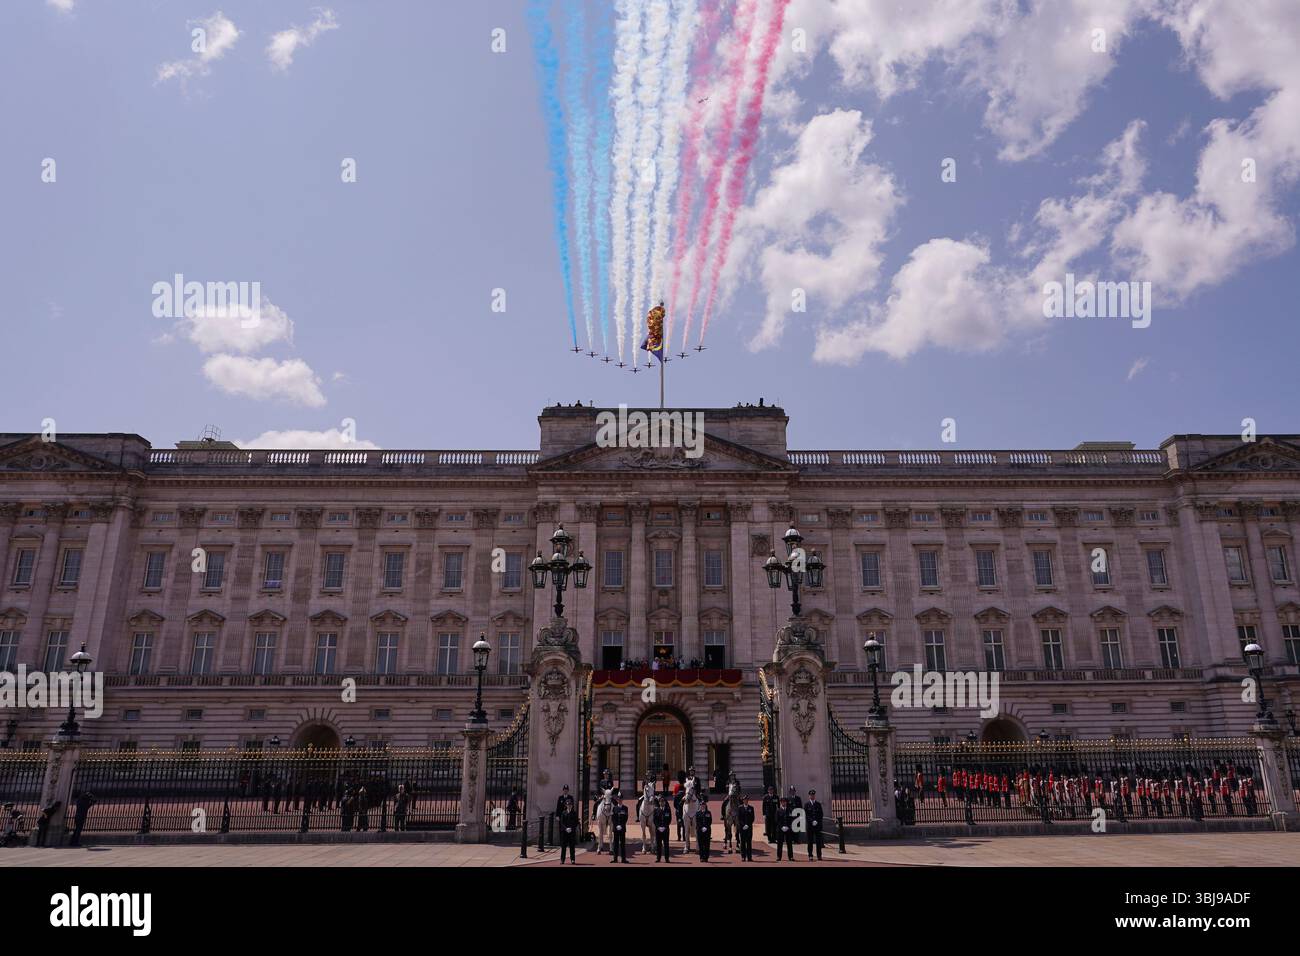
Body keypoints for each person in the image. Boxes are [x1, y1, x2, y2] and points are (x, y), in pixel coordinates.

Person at [803, 789, 824, 860]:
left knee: (818, 841)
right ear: (809, 796)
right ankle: (810, 855)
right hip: (810, 826)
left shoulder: (818, 804)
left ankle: (819, 855)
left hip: (817, 826)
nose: (812, 796)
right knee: (810, 841)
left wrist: (817, 821)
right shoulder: (806, 805)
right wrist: (812, 821)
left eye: (813, 795)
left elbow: (821, 814)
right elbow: (806, 815)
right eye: (811, 795)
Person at [610, 790, 630, 863]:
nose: (620, 800)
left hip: (622, 828)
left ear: (622, 800)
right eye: (618, 799)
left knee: (622, 844)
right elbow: (613, 818)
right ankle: (615, 858)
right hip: (616, 828)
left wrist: (621, 825)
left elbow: (625, 818)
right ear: (617, 800)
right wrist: (616, 825)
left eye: (621, 799)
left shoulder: (625, 808)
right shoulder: (614, 808)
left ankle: (623, 859)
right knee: (615, 844)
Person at [652, 796, 672, 862]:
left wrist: (664, 827)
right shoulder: (656, 810)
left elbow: (669, 819)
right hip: (658, 830)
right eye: (660, 802)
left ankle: (667, 858)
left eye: (663, 802)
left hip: (666, 830)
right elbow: (654, 820)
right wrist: (658, 827)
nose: (662, 803)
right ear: (659, 802)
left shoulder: (668, 810)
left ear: (665, 802)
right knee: (658, 845)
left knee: (666, 844)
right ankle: (658, 858)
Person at [559, 796, 579, 863]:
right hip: (565, 832)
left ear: (572, 805)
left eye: (570, 805)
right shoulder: (563, 813)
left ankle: (572, 859)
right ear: (566, 805)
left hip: (572, 832)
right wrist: (566, 829)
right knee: (563, 847)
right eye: (568, 805)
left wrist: (571, 828)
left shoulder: (574, 813)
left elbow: (576, 822)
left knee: (572, 846)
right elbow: (561, 822)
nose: (569, 806)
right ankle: (562, 859)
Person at [736, 794, 755, 861]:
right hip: (742, 828)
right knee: (743, 843)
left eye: (747, 800)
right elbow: (739, 818)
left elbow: (752, 818)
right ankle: (743, 856)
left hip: (749, 828)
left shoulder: (751, 808)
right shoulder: (740, 808)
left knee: (749, 843)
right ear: (743, 801)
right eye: (744, 800)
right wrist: (743, 825)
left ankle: (749, 857)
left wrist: (748, 825)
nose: (746, 801)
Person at [695, 796, 713, 862]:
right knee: (701, 844)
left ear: (705, 805)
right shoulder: (697, 813)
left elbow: (710, 821)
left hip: (707, 830)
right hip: (700, 831)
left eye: (703, 805)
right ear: (700, 806)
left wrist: (706, 827)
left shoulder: (708, 813)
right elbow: (697, 822)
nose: (702, 806)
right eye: (701, 805)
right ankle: (701, 857)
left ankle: (706, 857)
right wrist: (701, 827)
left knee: (707, 844)